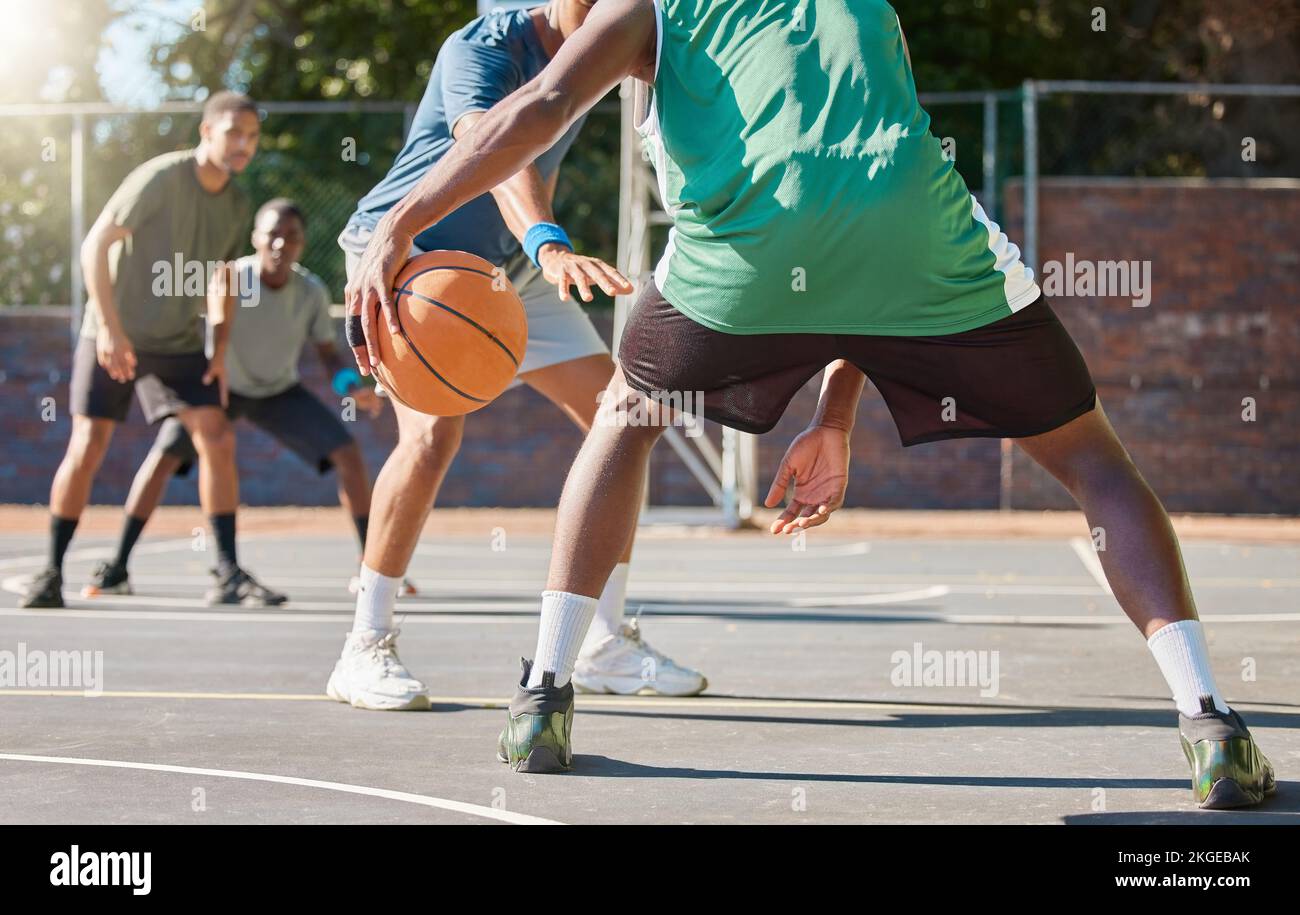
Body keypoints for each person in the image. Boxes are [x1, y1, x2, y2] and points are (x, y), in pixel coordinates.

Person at [347, 0, 1275, 808]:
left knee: (625, 417)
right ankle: (1210, 722)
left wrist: (399, 219)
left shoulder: (649, 4)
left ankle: (544, 692)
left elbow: (542, 108)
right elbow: (859, 194)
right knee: (1091, 458)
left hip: (743, 253)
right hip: (922, 243)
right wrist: (834, 413)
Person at [328, 0, 707, 711]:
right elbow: (497, 152)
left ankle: (602, 642)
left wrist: (535, 248)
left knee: (626, 416)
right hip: (406, 255)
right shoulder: (479, 49)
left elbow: (544, 159)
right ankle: (364, 643)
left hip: (505, 267)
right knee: (434, 434)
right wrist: (547, 239)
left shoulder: (593, 48)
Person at [23, 91, 287, 609]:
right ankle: (50, 572)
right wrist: (111, 330)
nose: (244, 145)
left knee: (216, 435)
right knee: (89, 444)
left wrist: (219, 347)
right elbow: (96, 243)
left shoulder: (235, 203)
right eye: (234, 132)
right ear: (206, 133)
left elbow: (222, 277)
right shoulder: (160, 177)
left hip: (179, 342)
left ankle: (228, 572)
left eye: (252, 137)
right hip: (116, 331)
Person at [81, 199, 386, 601]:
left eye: (291, 236)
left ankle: (370, 569)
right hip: (221, 390)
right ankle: (118, 567)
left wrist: (352, 387)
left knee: (348, 454)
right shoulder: (231, 278)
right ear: (256, 239)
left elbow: (328, 355)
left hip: (278, 392)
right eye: (272, 234)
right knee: (162, 461)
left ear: (302, 243)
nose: (281, 243)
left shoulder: (311, 290)